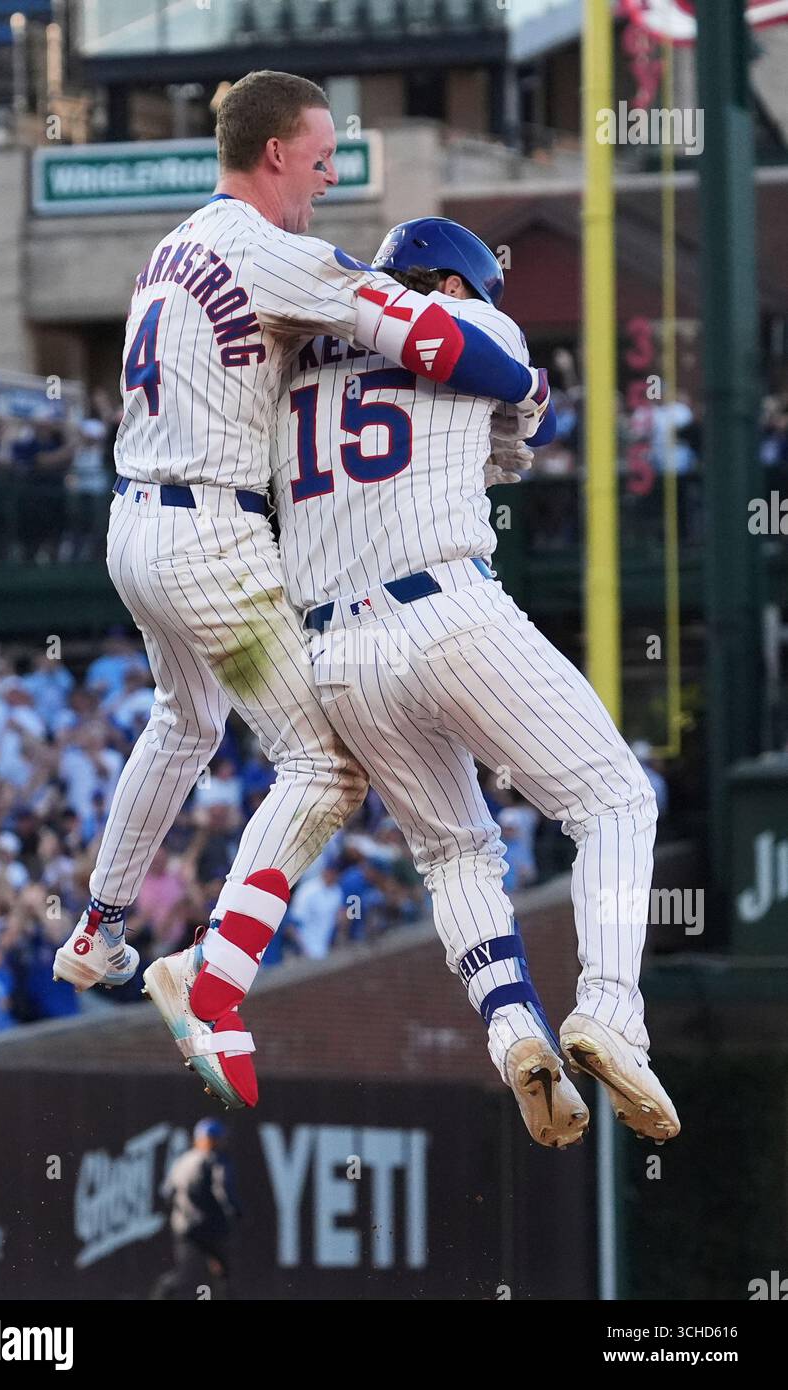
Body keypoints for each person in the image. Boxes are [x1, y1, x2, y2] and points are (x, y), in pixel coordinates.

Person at [53, 69, 552, 1114]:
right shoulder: (272, 252)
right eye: (321, 157)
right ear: (275, 152)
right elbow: (419, 333)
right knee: (322, 767)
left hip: (135, 530)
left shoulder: (172, 242)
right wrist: (520, 376)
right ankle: (212, 978)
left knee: (183, 723)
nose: (328, 177)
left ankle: (99, 925)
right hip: (211, 548)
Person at [265, 215, 679, 1148]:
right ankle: (608, 1010)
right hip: (447, 608)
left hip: (336, 648)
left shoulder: (291, 371)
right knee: (615, 800)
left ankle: (512, 1032)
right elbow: (535, 420)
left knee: (456, 853)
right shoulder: (476, 330)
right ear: (450, 286)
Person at [152, 1119, 238, 1301]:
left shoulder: (183, 1161)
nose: (220, 1142)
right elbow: (222, 1190)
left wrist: (182, 1212)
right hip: (209, 1230)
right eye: (217, 1138)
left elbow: (167, 1193)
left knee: (187, 1275)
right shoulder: (216, 1160)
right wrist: (234, 1211)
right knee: (220, 1273)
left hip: (184, 1228)